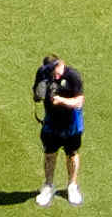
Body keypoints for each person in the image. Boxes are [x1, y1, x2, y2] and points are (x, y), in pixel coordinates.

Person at [33, 54, 85, 205]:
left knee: (72, 154)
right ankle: (49, 185)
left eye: (55, 71)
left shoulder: (73, 76)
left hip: (72, 124)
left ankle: (72, 186)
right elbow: (37, 94)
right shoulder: (44, 74)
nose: (54, 75)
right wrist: (37, 93)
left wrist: (61, 100)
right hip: (51, 123)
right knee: (50, 154)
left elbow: (79, 102)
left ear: (61, 64)